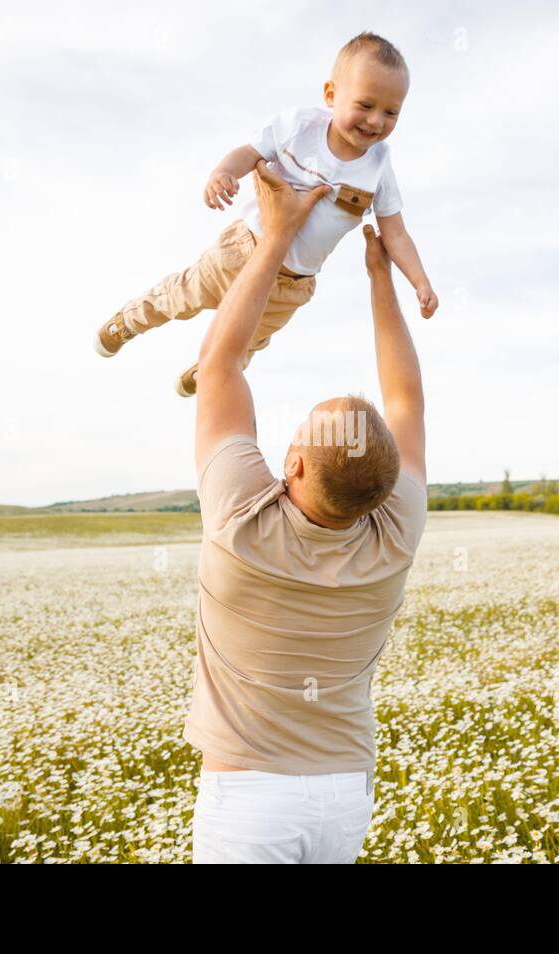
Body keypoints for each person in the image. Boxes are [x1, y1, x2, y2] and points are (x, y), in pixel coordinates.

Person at [186, 156, 428, 863]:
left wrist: (275, 238)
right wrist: (382, 278)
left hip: (248, 804)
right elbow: (407, 400)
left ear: (291, 464)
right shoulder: (396, 534)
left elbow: (219, 365)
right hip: (342, 796)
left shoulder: (239, 523)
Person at [95, 30, 437, 397]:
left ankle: (206, 371)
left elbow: (396, 234)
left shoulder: (379, 168)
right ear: (331, 95)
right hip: (244, 250)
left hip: (294, 283)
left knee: (253, 339)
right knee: (184, 295)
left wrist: (420, 281)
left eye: (391, 112)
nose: (375, 121)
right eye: (365, 105)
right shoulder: (299, 127)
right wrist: (223, 172)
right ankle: (129, 321)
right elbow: (249, 152)